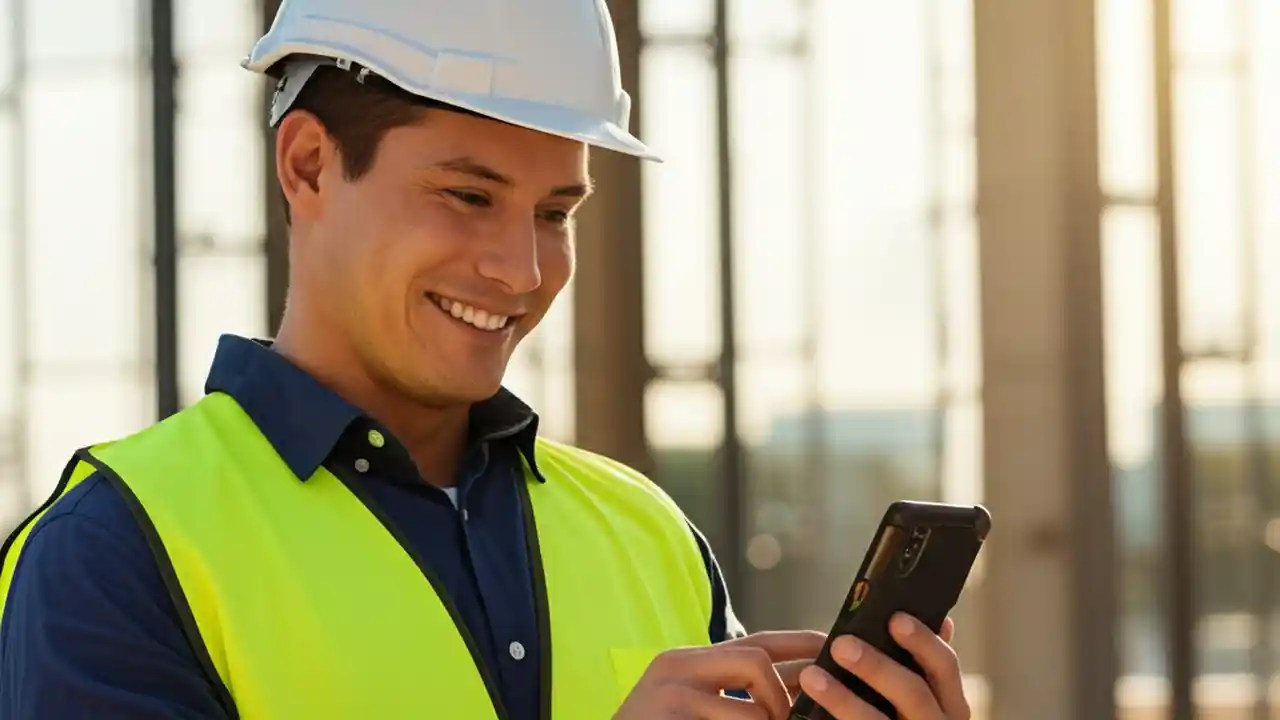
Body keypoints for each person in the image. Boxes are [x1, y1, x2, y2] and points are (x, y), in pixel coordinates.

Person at [0, 1, 972, 718]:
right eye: (469, 197)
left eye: (555, 212)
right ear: (308, 165)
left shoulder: (647, 536)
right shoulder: (115, 552)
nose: (522, 269)